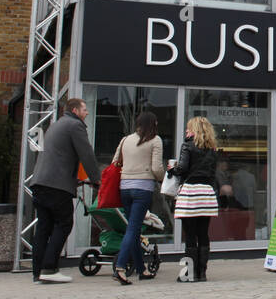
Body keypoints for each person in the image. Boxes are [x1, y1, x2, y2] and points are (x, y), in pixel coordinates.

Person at [30, 97, 100, 283]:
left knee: (44, 228)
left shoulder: (56, 125)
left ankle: (37, 272)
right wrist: (97, 180)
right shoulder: (75, 126)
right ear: (75, 111)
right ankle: (50, 268)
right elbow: (86, 154)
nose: (87, 113)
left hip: (40, 183)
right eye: (84, 109)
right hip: (56, 186)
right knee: (64, 223)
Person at [111, 111, 165, 284]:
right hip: (143, 189)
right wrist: (164, 178)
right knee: (134, 228)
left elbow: (114, 163)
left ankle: (141, 269)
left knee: (132, 228)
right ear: (153, 124)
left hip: (124, 187)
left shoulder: (125, 139)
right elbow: (156, 168)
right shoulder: (155, 140)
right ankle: (120, 268)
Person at [168, 116, 219, 282]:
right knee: (203, 233)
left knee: (190, 234)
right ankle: (202, 273)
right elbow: (212, 173)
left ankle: (189, 273)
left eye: (189, 128)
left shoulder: (187, 145)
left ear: (194, 130)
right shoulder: (212, 149)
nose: (186, 131)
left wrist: (172, 169)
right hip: (207, 193)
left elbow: (182, 168)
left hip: (190, 192)